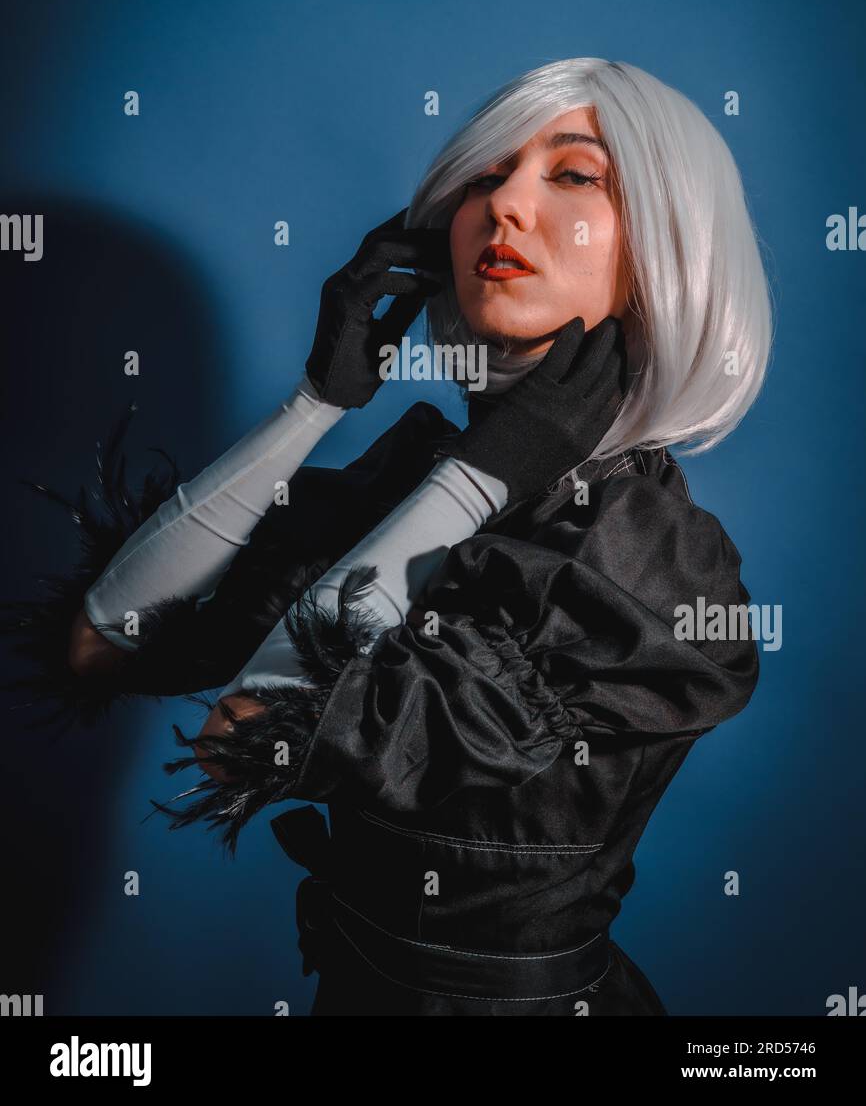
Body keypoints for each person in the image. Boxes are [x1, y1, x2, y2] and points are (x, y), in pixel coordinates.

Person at [5, 57, 772, 1016]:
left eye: (575, 176)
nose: (505, 207)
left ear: (666, 247)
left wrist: (484, 476)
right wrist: (317, 401)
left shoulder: (648, 560)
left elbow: (240, 741)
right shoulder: (422, 482)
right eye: (485, 176)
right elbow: (100, 641)